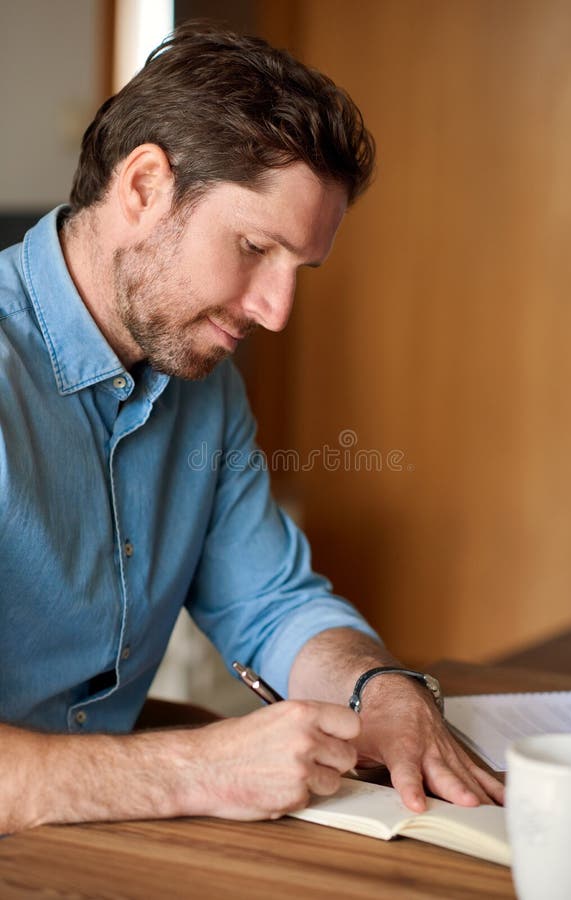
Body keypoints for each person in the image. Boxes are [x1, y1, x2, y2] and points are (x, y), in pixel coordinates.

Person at [0, 23, 503, 834]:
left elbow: (269, 604)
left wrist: (380, 690)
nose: (274, 311)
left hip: (99, 843)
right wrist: (197, 768)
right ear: (142, 188)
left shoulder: (204, 382)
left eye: (295, 270)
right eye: (252, 247)